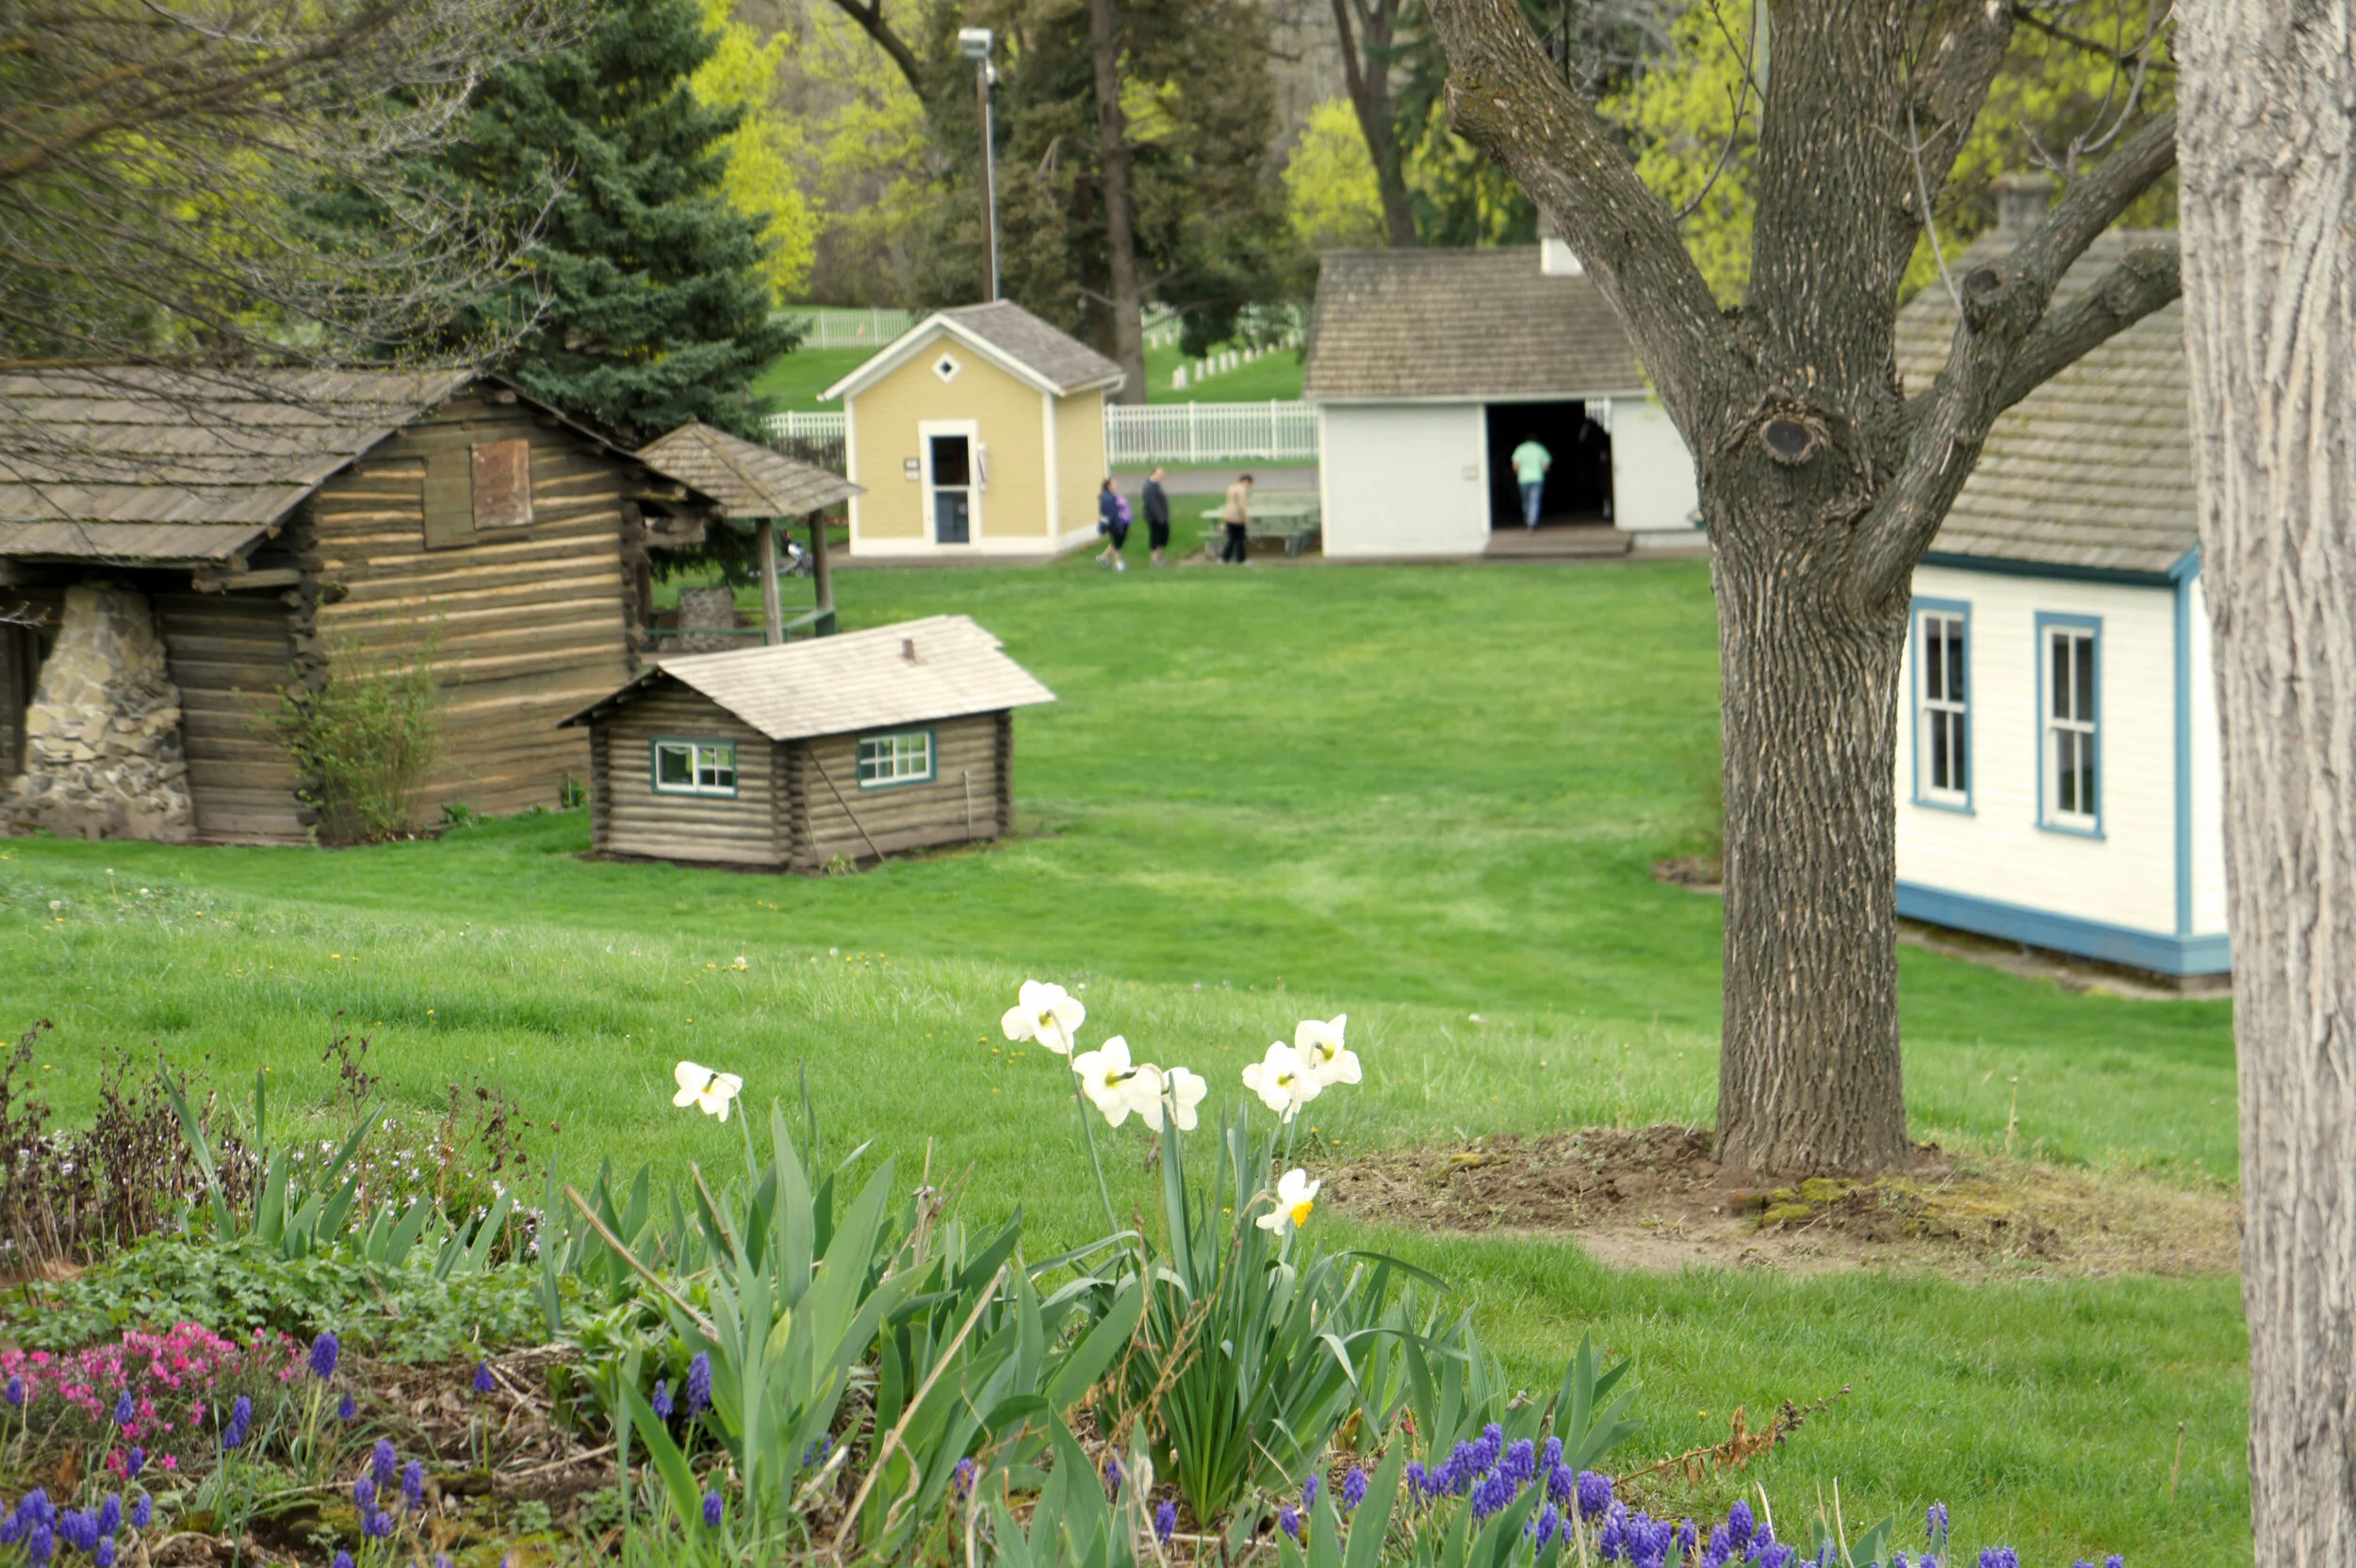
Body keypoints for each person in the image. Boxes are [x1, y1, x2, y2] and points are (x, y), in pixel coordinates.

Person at [1510, 433, 1552, 530]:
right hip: (1537, 478)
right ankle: (1532, 523)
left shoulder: (1520, 449)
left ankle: (1528, 520)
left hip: (1523, 479)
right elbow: (1546, 467)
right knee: (1535, 500)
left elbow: (1515, 466)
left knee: (1526, 501)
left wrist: (1519, 473)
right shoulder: (1540, 449)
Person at [1097, 477, 1130, 570]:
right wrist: (1103, 530)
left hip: (1116, 522)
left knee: (1116, 542)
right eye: (1114, 484)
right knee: (1116, 543)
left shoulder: (1110, 496)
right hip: (1114, 524)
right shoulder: (1107, 498)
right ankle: (1118, 564)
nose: (1116, 485)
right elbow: (1107, 515)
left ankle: (1103, 557)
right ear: (1109, 486)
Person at [1220, 472, 1254, 564]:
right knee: (1239, 539)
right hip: (1237, 517)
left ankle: (1224, 558)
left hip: (1229, 514)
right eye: (1249, 483)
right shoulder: (1241, 490)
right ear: (1246, 481)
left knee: (1232, 538)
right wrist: (1245, 518)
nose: (1249, 486)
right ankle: (1241, 559)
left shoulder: (1231, 487)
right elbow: (1241, 505)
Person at [1143, 466, 1171, 566]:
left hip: (1161, 516)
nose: (1161, 477)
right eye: (1159, 475)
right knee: (1155, 537)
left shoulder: (1156, 485)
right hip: (1154, 517)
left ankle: (1159, 557)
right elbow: (1151, 503)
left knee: (1163, 536)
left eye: (1162, 475)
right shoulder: (1149, 487)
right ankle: (1154, 559)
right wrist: (1159, 516)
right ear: (1152, 474)